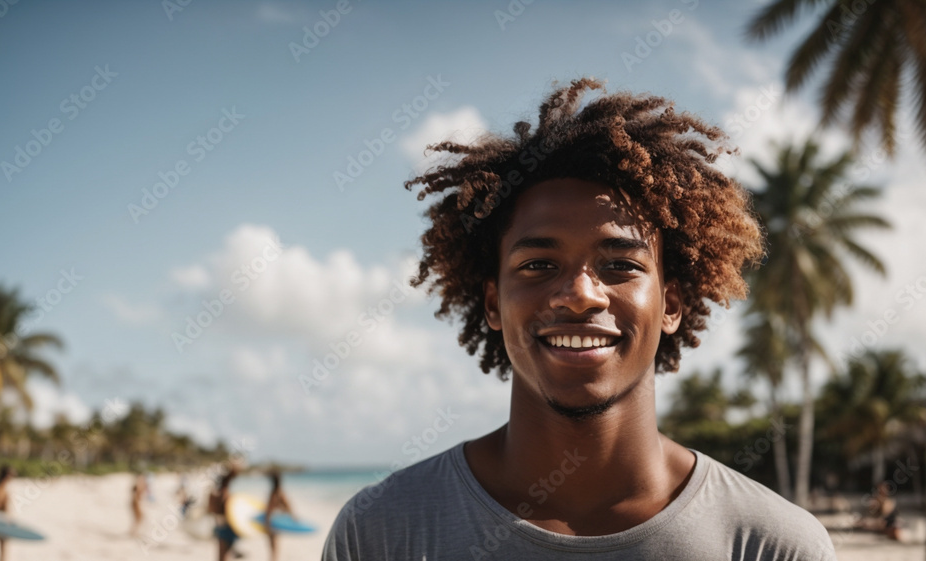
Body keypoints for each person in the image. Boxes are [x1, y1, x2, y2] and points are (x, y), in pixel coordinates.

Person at [322, 78, 838, 560]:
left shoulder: (772, 544)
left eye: (620, 265)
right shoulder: (383, 531)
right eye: (538, 264)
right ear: (493, 304)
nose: (579, 295)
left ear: (672, 305)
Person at [208, 467, 239, 561]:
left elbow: (210, 510)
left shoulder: (215, 493)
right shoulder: (225, 493)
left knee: (222, 555)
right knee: (224, 556)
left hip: (219, 526)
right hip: (227, 527)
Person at [265, 470, 295, 561]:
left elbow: (269, 509)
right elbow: (288, 506)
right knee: (275, 545)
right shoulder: (280, 493)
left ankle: (273, 559)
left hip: (272, 521)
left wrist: (267, 521)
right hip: (277, 520)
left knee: (272, 545)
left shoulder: (273, 493)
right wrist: (292, 516)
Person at [130, 473, 148, 537]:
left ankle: (133, 531)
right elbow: (136, 495)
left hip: (135, 502)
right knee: (139, 517)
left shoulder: (138, 484)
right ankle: (134, 532)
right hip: (136, 502)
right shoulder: (139, 485)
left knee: (138, 518)